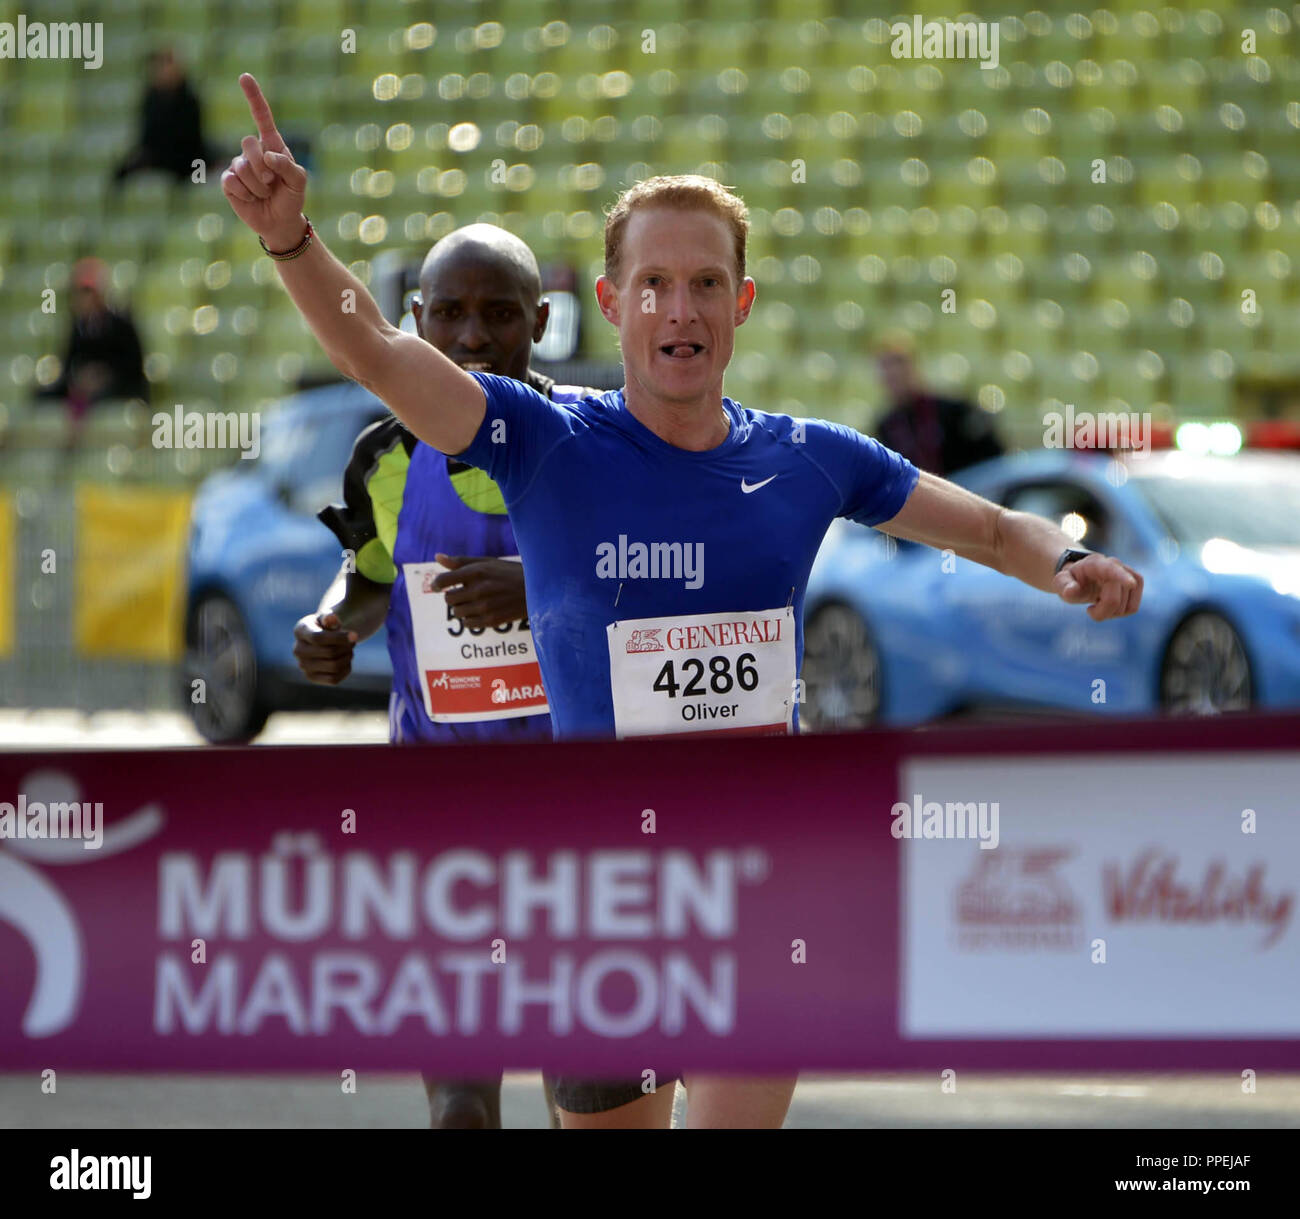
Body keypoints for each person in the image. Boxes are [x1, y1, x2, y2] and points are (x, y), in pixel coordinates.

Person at [222, 74, 1143, 1129]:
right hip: (605, 897)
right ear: (612, 305)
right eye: (653, 283)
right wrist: (292, 242)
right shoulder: (543, 441)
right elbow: (376, 354)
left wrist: (1063, 557)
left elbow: (983, 525)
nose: (680, 308)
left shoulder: (805, 458)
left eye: (706, 283)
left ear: (740, 303)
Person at [294, 225, 599, 1128]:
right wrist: (333, 622)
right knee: (460, 1102)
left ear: (541, 322)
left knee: (580, 1090)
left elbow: (646, 582)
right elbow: (369, 572)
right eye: (451, 315)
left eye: (499, 315)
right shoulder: (386, 456)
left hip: (577, 818)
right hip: (439, 811)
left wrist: (538, 588)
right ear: (414, 321)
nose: (472, 337)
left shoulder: (591, 446)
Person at [872, 330, 1004, 477]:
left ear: (914, 367)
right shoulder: (887, 425)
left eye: (899, 363)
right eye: (886, 366)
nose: (893, 372)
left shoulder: (954, 411)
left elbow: (992, 458)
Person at [34, 258, 148, 427]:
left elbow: (133, 368)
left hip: (118, 389)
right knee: (42, 396)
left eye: (87, 292)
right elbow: (68, 364)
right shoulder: (78, 327)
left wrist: (103, 377)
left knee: (96, 402)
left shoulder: (121, 324)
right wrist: (79, 378)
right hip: (85, 390)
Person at [111, 46, 214, 191]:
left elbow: (192, 135)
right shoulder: (150, 98)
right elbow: (146, 135)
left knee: (200, 167)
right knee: (122, 171)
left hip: (187, 154)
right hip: (157, 154)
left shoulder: (190, 99)